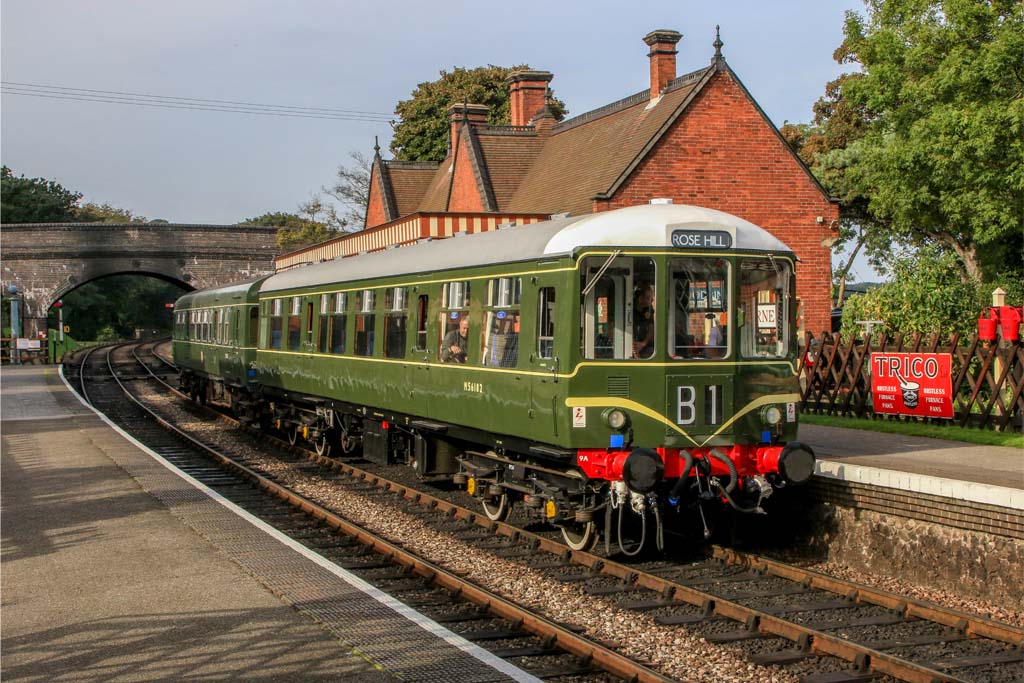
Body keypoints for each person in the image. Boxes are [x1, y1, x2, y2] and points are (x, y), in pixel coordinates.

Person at [633, 284, 655, 359]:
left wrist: (643, 344)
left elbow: (651, 327)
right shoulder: (630, 308)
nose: (652, 300)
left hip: (644, 344)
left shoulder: (649, 308)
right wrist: (635, 349)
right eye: (648, 298)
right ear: (640, 298)